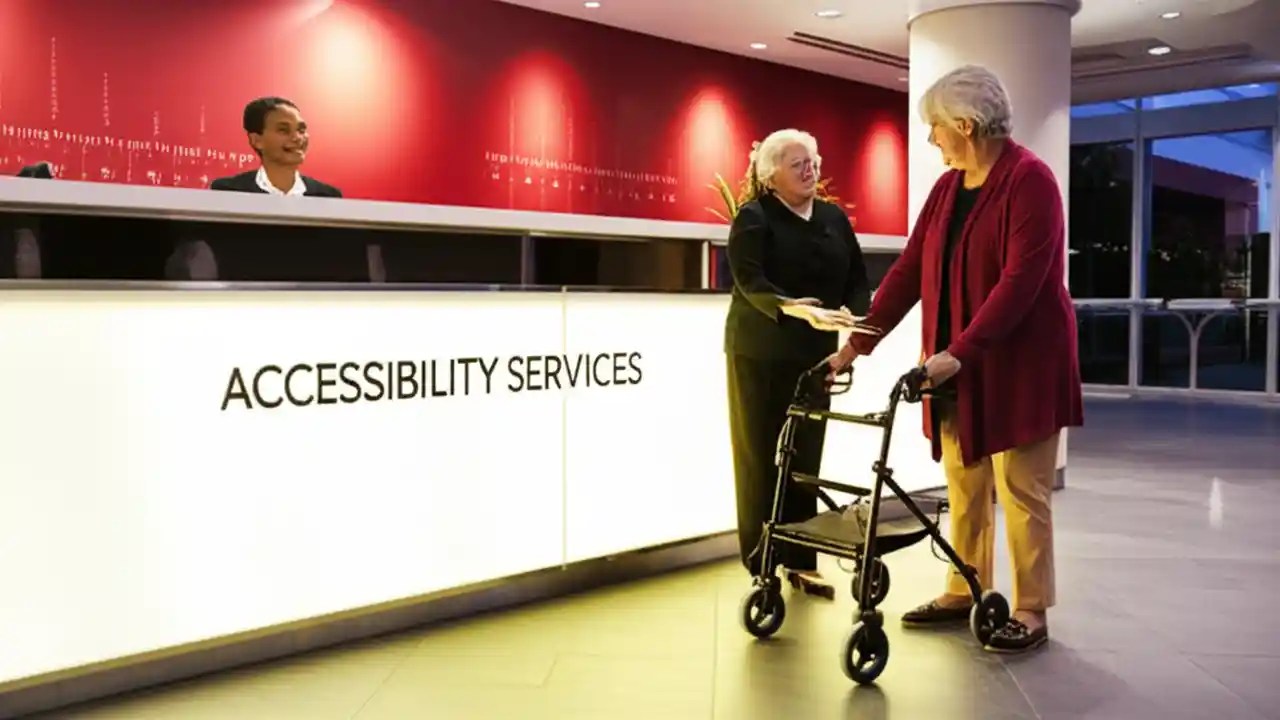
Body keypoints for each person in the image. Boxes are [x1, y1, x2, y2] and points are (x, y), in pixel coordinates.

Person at [829, 65, 1083, 653]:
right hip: (956, 364)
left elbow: (1020, 284)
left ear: (966, 126)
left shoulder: (1031, 182)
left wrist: (958, 354)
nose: (931, 139)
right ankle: (965, 587)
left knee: (1021, 488)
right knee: (964, 481)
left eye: (936, 128)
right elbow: (910, 270)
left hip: (1020, 362)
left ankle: (1030, 608)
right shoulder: (948, 189)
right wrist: (855, 344)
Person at [724, 128, 871, 599]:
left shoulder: (832, 217)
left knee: (806, 456)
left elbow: (857, 278)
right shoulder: (754, 217)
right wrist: (791, 306)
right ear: (771, 174)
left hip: (816, 354)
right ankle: (762, 560)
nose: (810, 170)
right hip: (759, 351)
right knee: (760, 457)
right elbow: (750, 280)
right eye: (797, 163)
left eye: (813, 161)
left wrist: (853, 312)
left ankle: (802, 557)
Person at [210, 97, 342, 197]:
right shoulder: (229, 191)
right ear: (256, 140)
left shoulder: (327, 196)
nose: (297, 138)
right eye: (284, 130)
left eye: (301, 130)